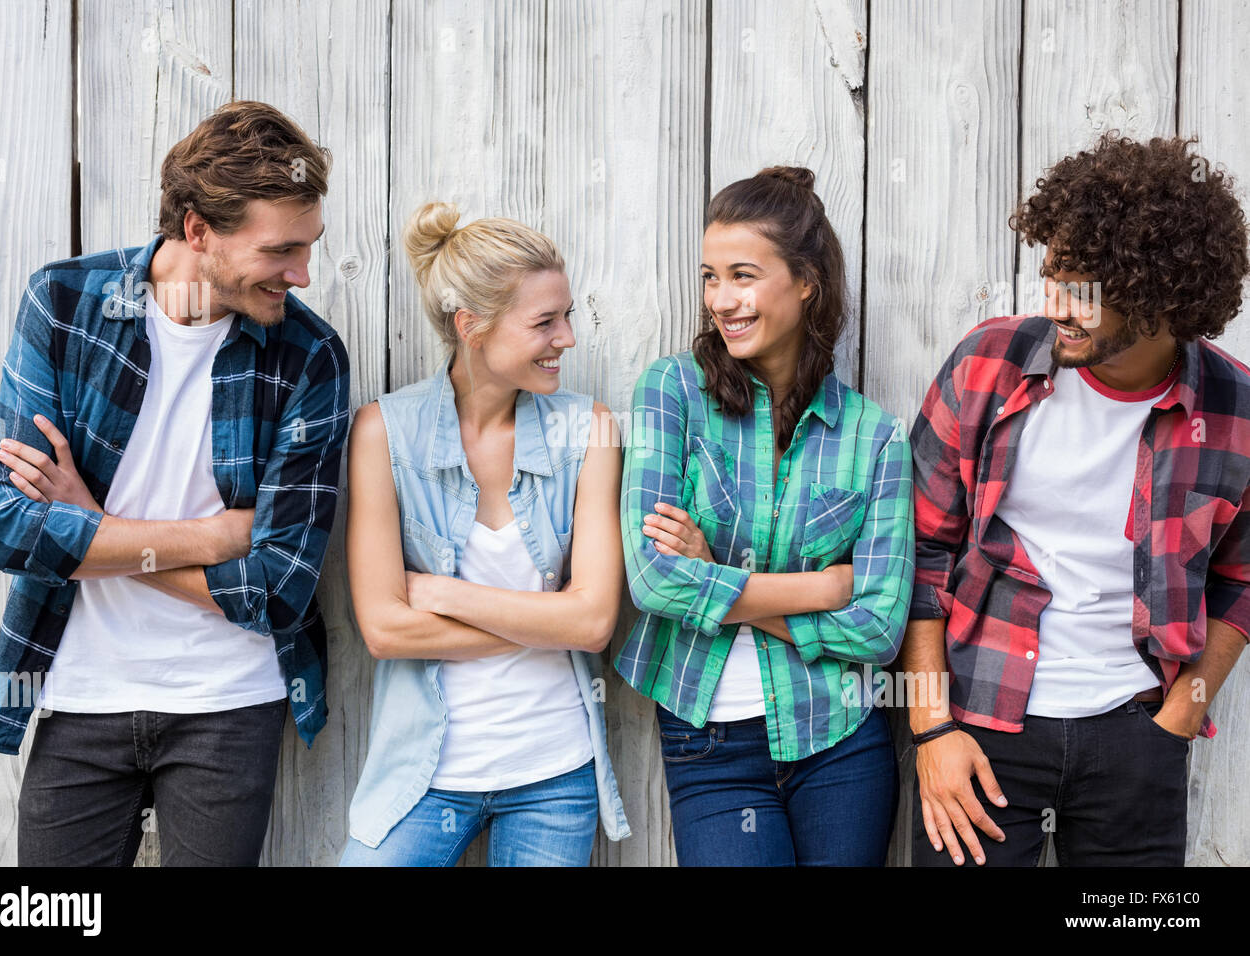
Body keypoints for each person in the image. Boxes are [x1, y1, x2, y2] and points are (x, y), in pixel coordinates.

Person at [0, 101, 349, 865]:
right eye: (281, 250)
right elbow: (12, 531)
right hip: (78, 689)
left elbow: (277, 586)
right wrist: (215, 536)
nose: (302, 274)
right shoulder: (65, 304)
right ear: (198, 230)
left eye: (308, 248)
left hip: (228, 702)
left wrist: (90, 524)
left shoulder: (311, 357)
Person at [906, 132, 1250, 867]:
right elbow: (921, 550)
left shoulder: (1234, 410)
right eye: (1052, 275)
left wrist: (1179, 720)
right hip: (981, 725)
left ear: (1157, 292)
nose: (1055, 303)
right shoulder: (986, 367)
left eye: (1082, 288)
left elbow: (1243, 580)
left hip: (1137, 734)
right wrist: (932, 728)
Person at [617, 166, 913, 866]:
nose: (722, 299)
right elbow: (653, 580)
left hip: (840, 740)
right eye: (710, 277)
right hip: (710, 745)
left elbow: (877, 629)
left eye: (743, 275)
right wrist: (820, 589)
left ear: (806, 281)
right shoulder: (672, 393)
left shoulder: (874, 437)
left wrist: (713, 578)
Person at [340, 202, 630, 867]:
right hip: (423, 770)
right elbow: (385, 632)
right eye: (544, 322)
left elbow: (592, 624)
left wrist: (440, 592)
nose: (567, 338)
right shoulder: (384, 432)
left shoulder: (590, 430)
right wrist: (545, 622)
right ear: (471, 326)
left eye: (567, 317)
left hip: (554, 773)